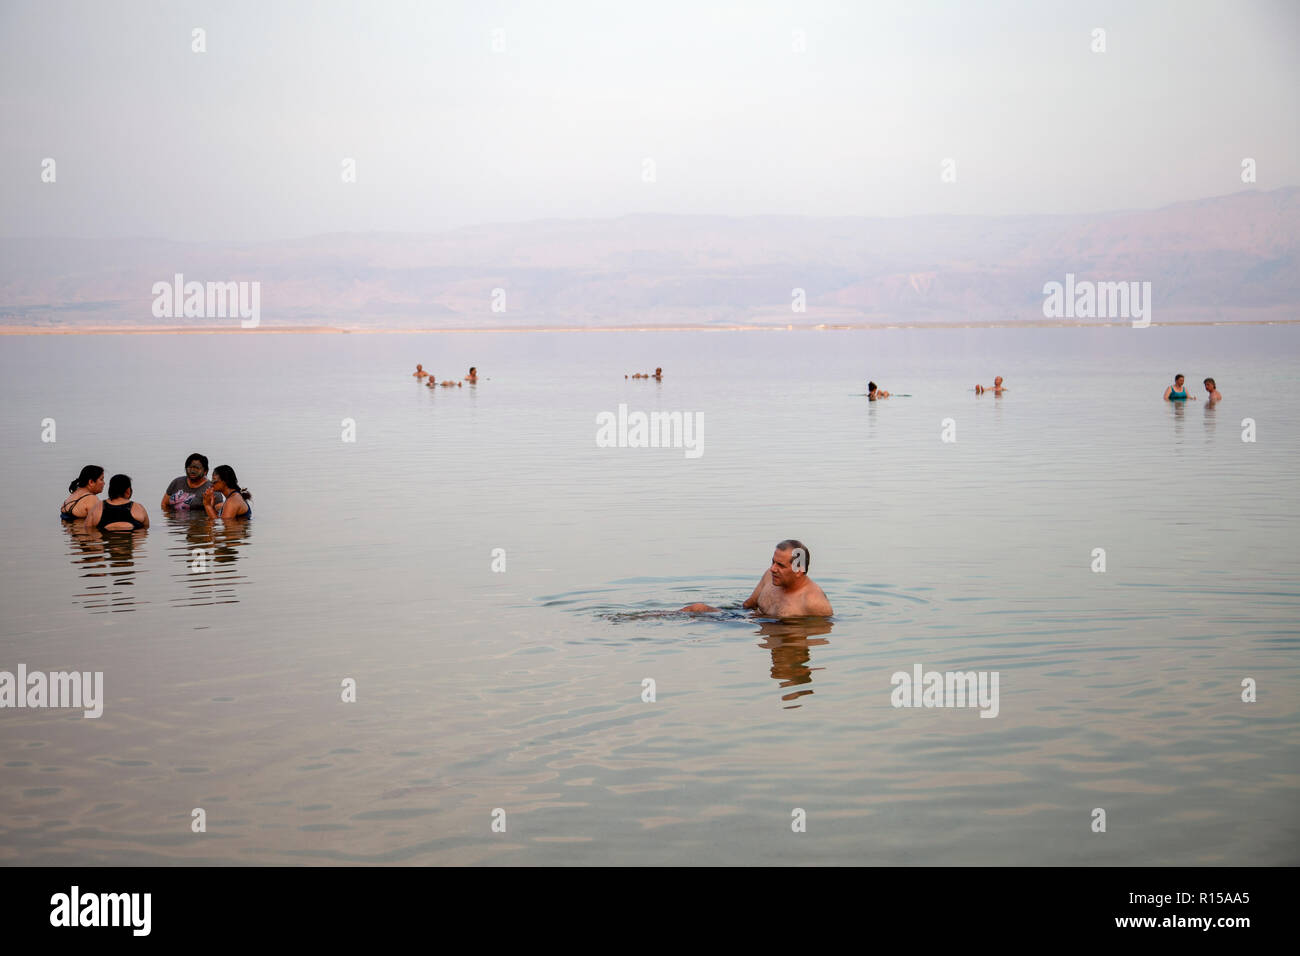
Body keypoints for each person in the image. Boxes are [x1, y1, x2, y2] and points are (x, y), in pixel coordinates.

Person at [681, 539, 833, 618]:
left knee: (698, 610)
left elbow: (821, 635)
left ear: (799, 570)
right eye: (773, 562)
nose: (773, 568)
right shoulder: (770, 576)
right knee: (697, 608)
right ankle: (657, 618)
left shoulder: (813, 602)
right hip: (745, 622)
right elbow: (747, 605)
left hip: (775, 637)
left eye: (780, 565)